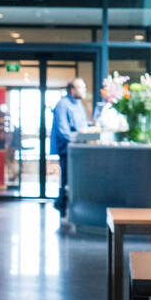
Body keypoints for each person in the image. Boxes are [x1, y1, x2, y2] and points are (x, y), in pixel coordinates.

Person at [51, 78, 88, 223]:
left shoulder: (79, 105)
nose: (84, 90)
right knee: (67, 180)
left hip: (79, 150)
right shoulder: (62, 104)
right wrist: (77, 138)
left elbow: (82, 126)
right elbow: (63, 131)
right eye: (81, 87)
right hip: (67, 151)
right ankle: (62, 208)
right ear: (72, 89)